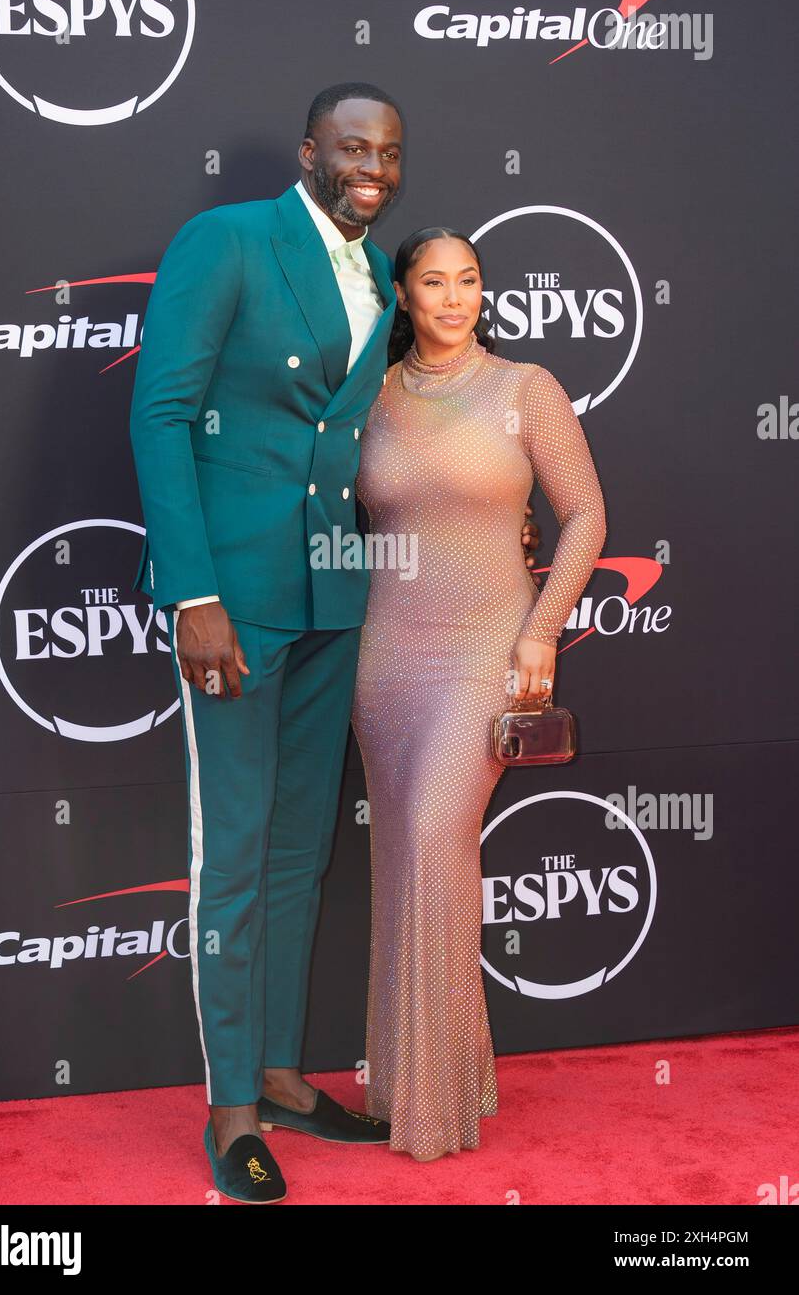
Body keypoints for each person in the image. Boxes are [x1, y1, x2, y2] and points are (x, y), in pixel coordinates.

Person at [129, 82, 541, 1203]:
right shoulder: (227, 241)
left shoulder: (377, 277)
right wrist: (190, 594)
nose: (373, 167)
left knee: (302, 848)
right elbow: (161, 413)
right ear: (311, 150)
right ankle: (227, 1111)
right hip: (237, 604)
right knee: (236, 850)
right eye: (353, 147)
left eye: (390, 153)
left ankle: (277, 1072)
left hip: (334, 603)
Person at [351, 227, 607, 1162]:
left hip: (487, 650)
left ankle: (434, 1105)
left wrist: (540, 629)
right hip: (385, 657)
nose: (453, 298)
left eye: (468, 281)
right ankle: (414, 1081)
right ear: (403, 297)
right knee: (403, 862)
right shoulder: (368, 396)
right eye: (432, 282)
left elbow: (584, 514)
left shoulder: (522, 388)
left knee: (432, 836)